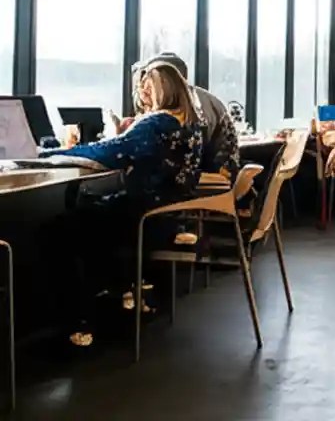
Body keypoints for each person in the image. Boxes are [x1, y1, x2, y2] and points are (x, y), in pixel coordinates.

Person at [41, 63, 205, 346]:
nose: (142, 94)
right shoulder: (191, 124)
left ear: (162, 90)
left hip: (142, 216)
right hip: (167, 216)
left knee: (57, 231)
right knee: (90, 215)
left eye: (147, 88)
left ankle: (77, 321)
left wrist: (51, 153)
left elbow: (108, 152)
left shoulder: (155, 124)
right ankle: (115, 301)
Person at [123, 52, 239, 178]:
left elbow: (186, 148)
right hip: (215, 172)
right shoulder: (194, 98)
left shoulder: (192, 105)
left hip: (213, 177)